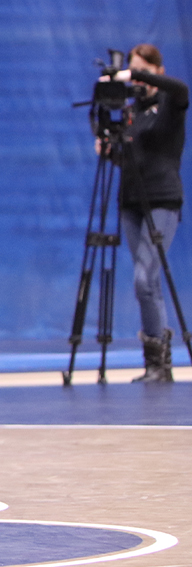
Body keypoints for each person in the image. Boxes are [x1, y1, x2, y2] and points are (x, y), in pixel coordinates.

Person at [112, 44, 187, 383]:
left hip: (162, 200)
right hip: (131, 202)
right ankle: (157, 362)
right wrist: (107, 147)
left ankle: (160, 355)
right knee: (148, 283)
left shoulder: (170, 103)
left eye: (143, 70)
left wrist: (136, 74)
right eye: (134, 70)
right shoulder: (132, 112)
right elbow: (126, 157)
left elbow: (182, 88)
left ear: (156, 70)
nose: (138, 80)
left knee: (144, 278)